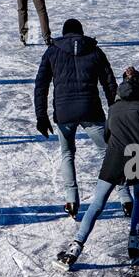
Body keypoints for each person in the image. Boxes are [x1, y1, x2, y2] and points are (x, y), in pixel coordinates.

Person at [56, 67, 139, 271]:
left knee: (97, 205)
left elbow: (107, 135)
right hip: (138, 158)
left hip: (114, 159)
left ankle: (74, 249)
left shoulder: (114, 108)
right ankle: (134, 244)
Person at [33, 18, 130, 218]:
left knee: (67, 153)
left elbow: (41, 86)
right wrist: (116, 111)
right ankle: (125, 197)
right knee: (111, 152)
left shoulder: (53, 51)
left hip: (64, 112)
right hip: (91, 110)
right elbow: (109, 83)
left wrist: (41, 116)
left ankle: (71, 200)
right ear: (81, 33)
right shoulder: (95, 51)